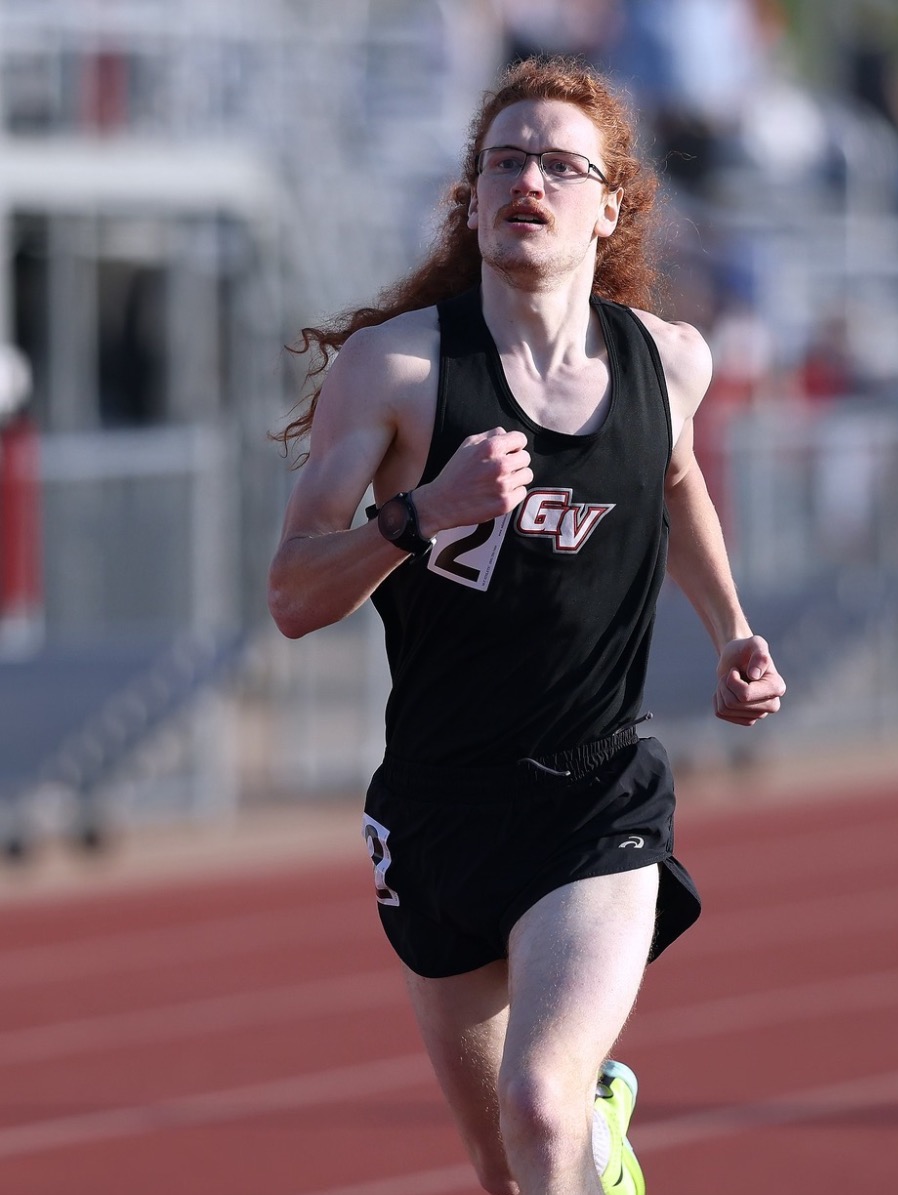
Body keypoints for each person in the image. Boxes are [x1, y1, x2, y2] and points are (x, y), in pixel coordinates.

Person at [267, 58, 786, 1195]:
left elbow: (677, 475)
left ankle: (579, 1118)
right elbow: (294, 594)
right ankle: (598, 1135)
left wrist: (732, 630)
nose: (528, 182)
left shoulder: (668, 360)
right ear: (470, 200)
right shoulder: (398, 369)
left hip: (594, 793)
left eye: (559, 164)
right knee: (505, 1167)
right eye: (503, 162)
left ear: (610, 207)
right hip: (437, 808)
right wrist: (422, 512)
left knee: (538, 1105)